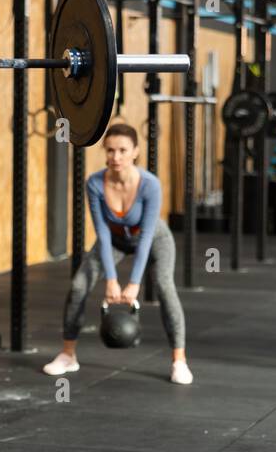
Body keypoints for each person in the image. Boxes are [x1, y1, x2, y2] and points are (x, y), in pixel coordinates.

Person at [42, 122, 193, 385]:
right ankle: (68, 355)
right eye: (110, 150)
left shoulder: (149, 185)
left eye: (123, 150)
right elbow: (101, 232)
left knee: (163, 285)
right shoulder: (95, 184)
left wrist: (133, 283)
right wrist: (111, 279)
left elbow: (146, 237)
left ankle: (179, 360)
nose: (116, 157)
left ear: (135, 151)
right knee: (78, 286)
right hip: (114, 240)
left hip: (154, 238)